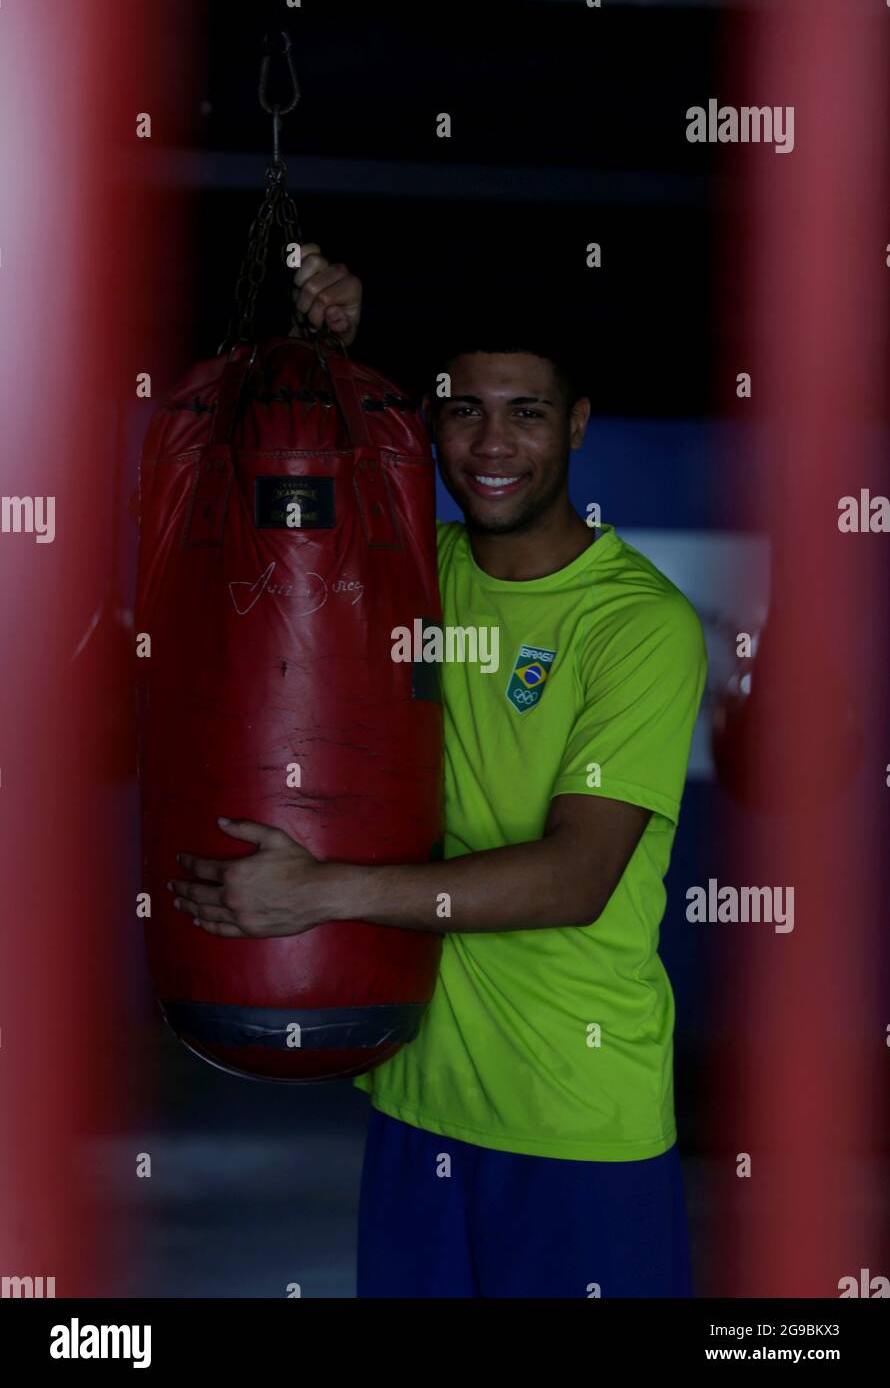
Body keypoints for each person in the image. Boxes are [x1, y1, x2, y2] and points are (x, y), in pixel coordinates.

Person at [168, 245, 708, 1298]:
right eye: (462, 411)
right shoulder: (412, 567)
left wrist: (318, 895)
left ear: (578, 424)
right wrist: (329, 352)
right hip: (417, 1109)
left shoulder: (637, 623)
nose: (490, 442)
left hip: (574, 1122)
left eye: (526, 413)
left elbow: (572, 876)